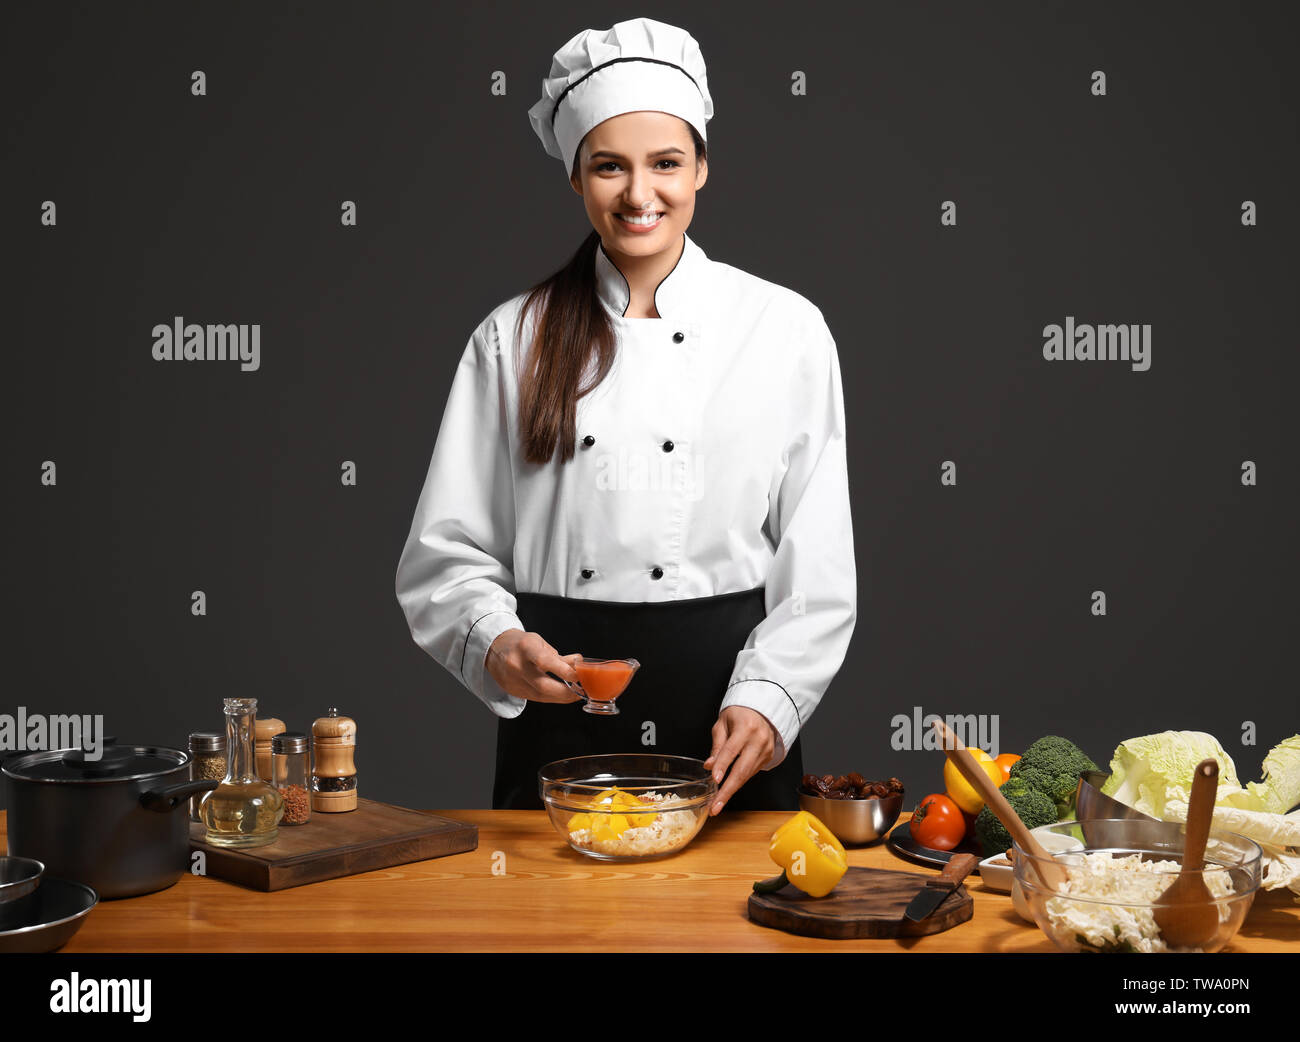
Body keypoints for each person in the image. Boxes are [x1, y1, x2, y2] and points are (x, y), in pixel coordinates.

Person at [395, 17, 856, 814]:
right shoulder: (512, 338)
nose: (640, 195)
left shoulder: (784, 329)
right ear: (576, 177)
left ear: (703, 167)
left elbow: (818, 567)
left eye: (666, 163)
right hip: (561, 718)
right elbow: (444, 555)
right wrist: (498, 646)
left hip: (728, 726)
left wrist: (772, 697)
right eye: (610, 167)